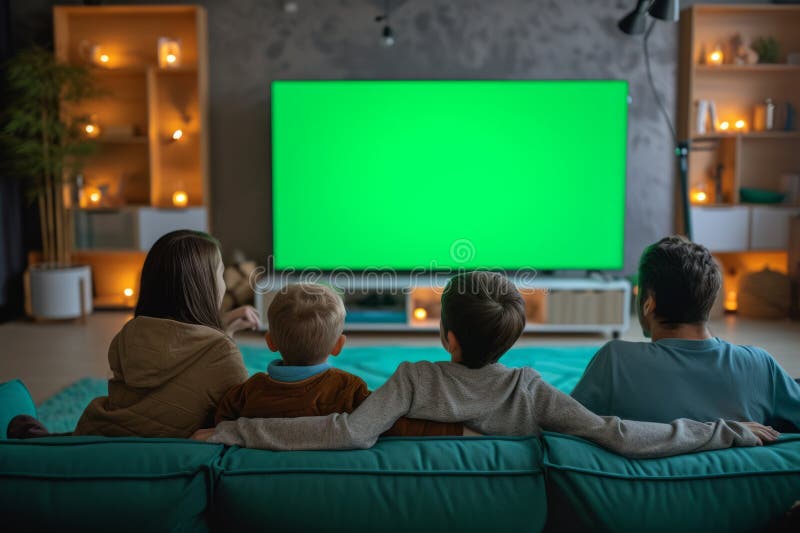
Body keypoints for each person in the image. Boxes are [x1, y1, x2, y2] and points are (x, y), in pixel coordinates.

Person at [194, 271, 778, 458]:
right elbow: (618, 434)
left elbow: (347, 432)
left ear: (447, 337)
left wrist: (234, 430)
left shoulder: (411, 379)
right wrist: (726, 431)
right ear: (513, 337)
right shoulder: (531, 390)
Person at [8, 230, 258, 439]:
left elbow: (180, 357)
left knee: (26, 426)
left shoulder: (130, 336)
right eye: (221, 274)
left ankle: (41, 443)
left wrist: (221, 331)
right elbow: (242, 413)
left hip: (99, 435)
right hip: (142, 457)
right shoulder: (222, 353)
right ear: (204, 288)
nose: (224, 285)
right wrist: (223, 338)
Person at [571, 236, 800, 432]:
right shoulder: (759, 366)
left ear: (648, 303)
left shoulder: (614, 362)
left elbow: (564, 425)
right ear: (708, 301)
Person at [214, 283, 462, 437]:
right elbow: (394, 423)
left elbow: (218, 423)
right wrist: (459, 430)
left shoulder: (246, 393)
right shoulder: (349, 389)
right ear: (339, 345)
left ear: (270, 342)